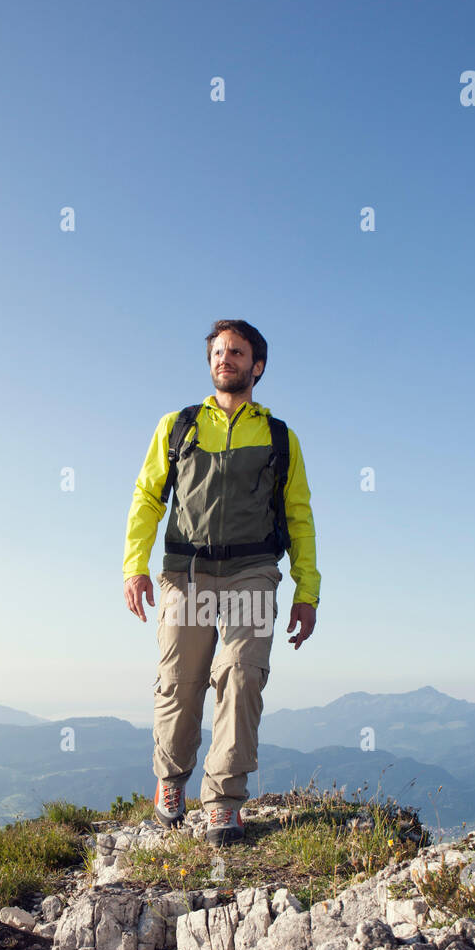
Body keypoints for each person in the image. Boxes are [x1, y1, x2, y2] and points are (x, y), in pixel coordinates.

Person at [123, 319, 320, 846]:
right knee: (181, 681)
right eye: (217, 351)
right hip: (185, 572)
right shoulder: (178, 425)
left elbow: (298, 516)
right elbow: (147, 498)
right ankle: (170, 783)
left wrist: (308, 591)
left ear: (257, 366)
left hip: (252, 571)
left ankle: (224, 801)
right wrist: (134, 566)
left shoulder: (280, 437)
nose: (223, 359)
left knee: (240, 672)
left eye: (236, 352)